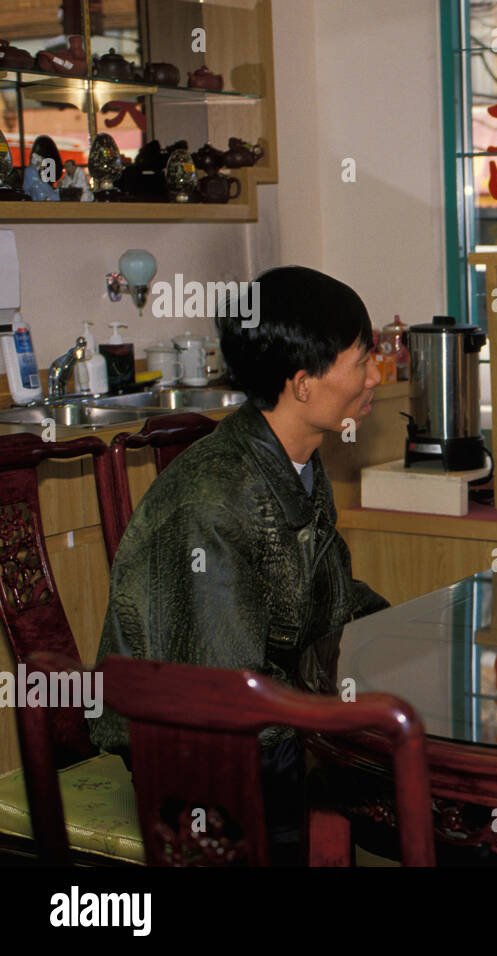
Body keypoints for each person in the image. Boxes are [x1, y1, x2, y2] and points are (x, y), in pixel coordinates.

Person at [90, 266, 388, 859]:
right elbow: (224, 702)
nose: (377, 375)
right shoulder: (214, 500)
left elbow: (329, 601)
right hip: (203, 766)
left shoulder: (295, 460)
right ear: (303, 384)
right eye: (363, 359)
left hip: (276, 729)